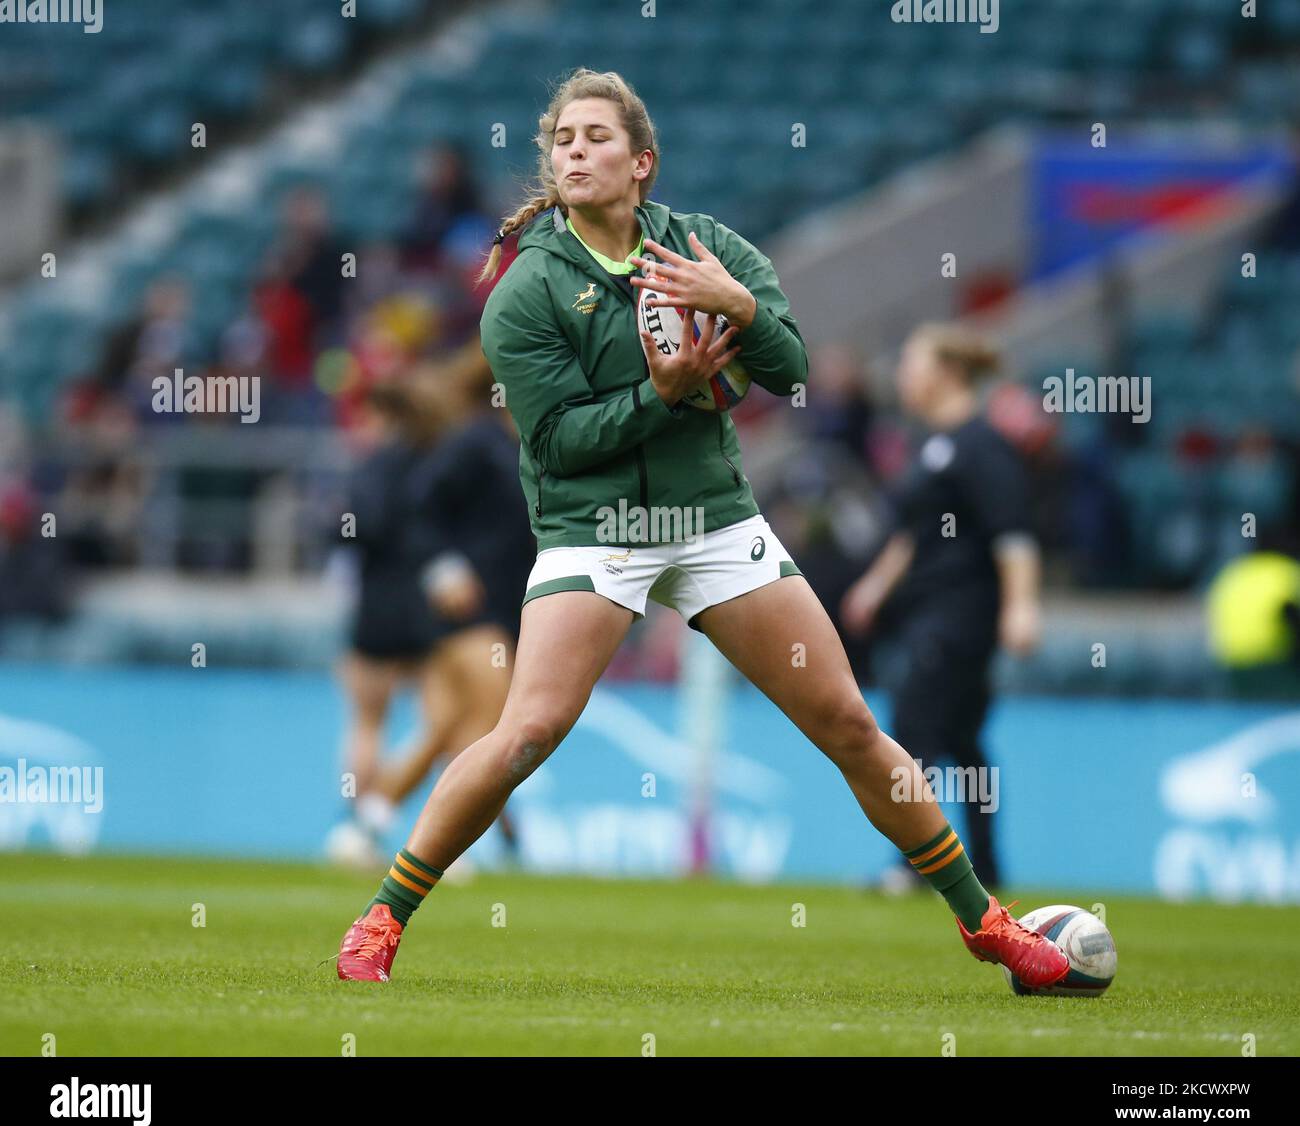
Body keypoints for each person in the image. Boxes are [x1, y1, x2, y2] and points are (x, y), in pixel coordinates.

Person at [334, 67, 1067, 990]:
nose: (574, 152)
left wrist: (741, 309)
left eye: (596, 138)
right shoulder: (523, 295)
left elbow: (794, 367)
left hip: (714, 520)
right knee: (526, 731)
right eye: (562, 140)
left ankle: (988, 926)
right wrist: (661, 396)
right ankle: (382, 919)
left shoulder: (706, 246)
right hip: (593, 526)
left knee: (845, 719)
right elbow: (559, 445)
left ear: (642, 161)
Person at [841, 324, 1043, 892]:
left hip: (961, 612)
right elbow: (915, 533)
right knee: (962, 740)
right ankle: (988, 867)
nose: (903, 373)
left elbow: (1014, 532)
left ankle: (914, 866)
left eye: (912, 361)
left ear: (948, 373)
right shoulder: (932, 446)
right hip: (928, 606)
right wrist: (875, 587)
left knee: (914, 727)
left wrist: (1022, 606)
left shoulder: (981, 445)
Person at [327, 378, 522, 872]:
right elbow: (419, 507)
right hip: (471, 612)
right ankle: (441, 845)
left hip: (507, 608)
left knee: (449, 729)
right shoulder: (478, 442)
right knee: (485, 726)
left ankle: (369, 823)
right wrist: (444, 569)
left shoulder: (522, 441)